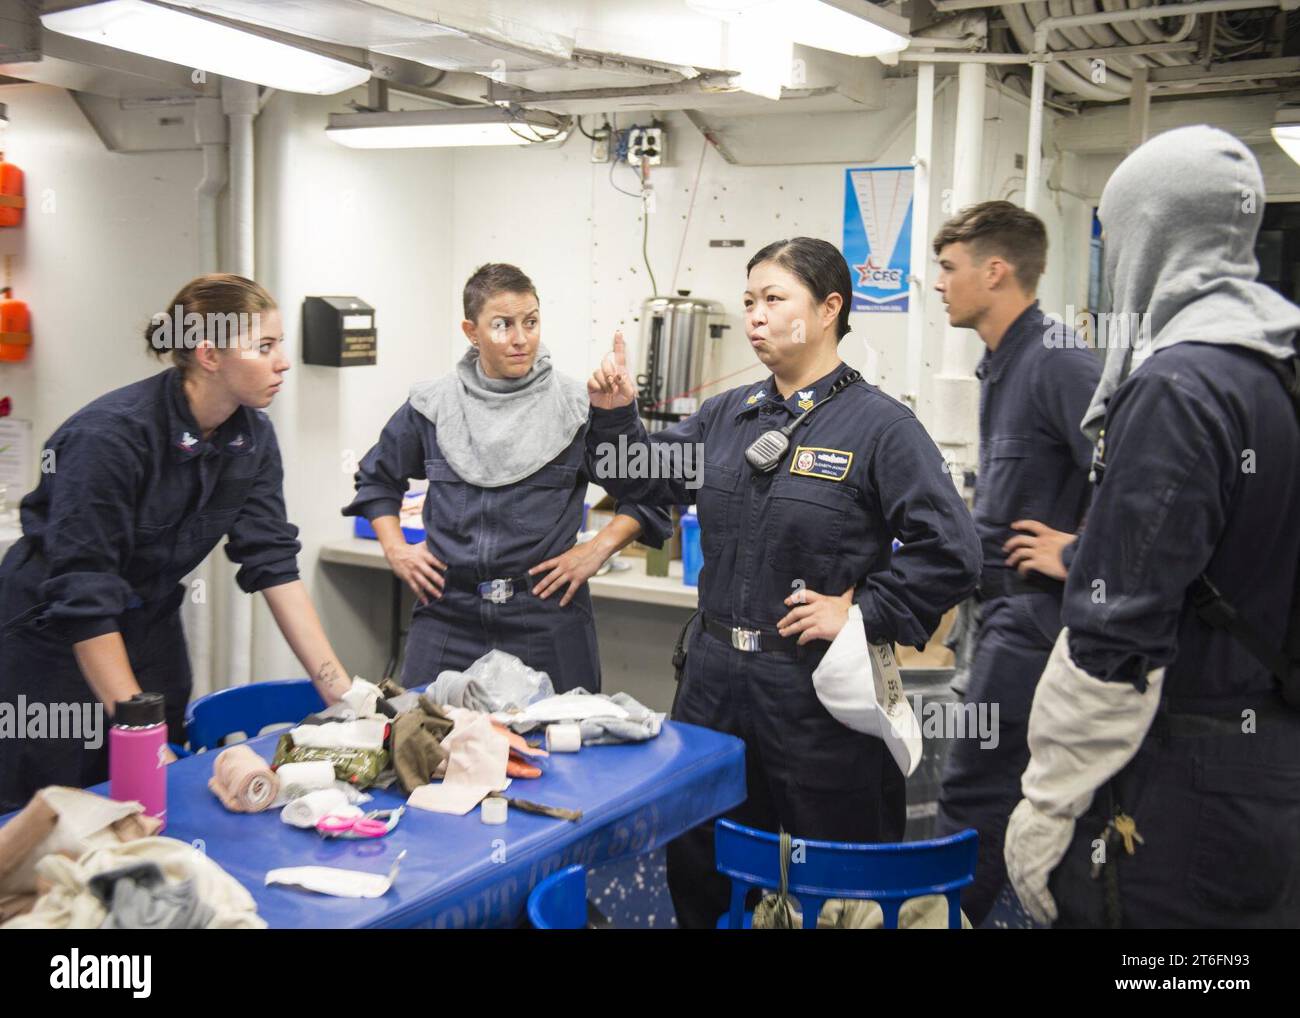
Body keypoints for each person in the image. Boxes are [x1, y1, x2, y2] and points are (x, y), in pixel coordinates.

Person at [586, 236, 982, 928]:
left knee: (831, 874)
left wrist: (862, 610)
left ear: (830, 308)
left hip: (813, 691)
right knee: (700, 856)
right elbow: (638, 480)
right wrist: (616, 414)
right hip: (713, 682)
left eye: (774, 299)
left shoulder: (881, 427)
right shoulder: (723, 416)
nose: (755, 317)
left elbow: (952, 550)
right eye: (748, 301)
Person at [1004, 125, 1300, 928]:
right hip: (1263, 766)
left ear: (1149, 238)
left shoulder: (1180, 387)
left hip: (1175, 783)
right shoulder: (1272, 370)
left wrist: (1048, 804)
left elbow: (1116, 637)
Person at [0, 274, 354, 814]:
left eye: (279, 344)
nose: (283, 362)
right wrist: (138, 735)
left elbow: (272, 562)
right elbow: (85, 593)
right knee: (57, 813)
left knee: (152, 805)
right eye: (264, 347)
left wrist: (343, 695)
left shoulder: (251, 438)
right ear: (209, 354)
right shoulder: (109, 439)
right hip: (55, 640)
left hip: (150, 627)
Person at [343, 263, 670, 692]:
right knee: (430, 746)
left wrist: (595, 551)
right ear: (471, 331)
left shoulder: (577, 406)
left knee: (559, 749)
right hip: (447, 613)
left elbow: (648, 493)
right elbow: (376, 480)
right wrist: (396, 548)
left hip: (545, 614)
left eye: (530, 322)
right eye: (502, 325)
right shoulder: (433, 405)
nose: (520, 339)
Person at [930, 201, 1100, 925]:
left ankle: (945, 917)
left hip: (1033, 615)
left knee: (974, 781)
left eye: (948, 267)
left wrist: (1081, 554)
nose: (938, 283)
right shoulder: (1003, 364)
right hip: (992, 609)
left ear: (994, 271)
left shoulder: (1060, 359)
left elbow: (1144, 483)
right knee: (969, 771)